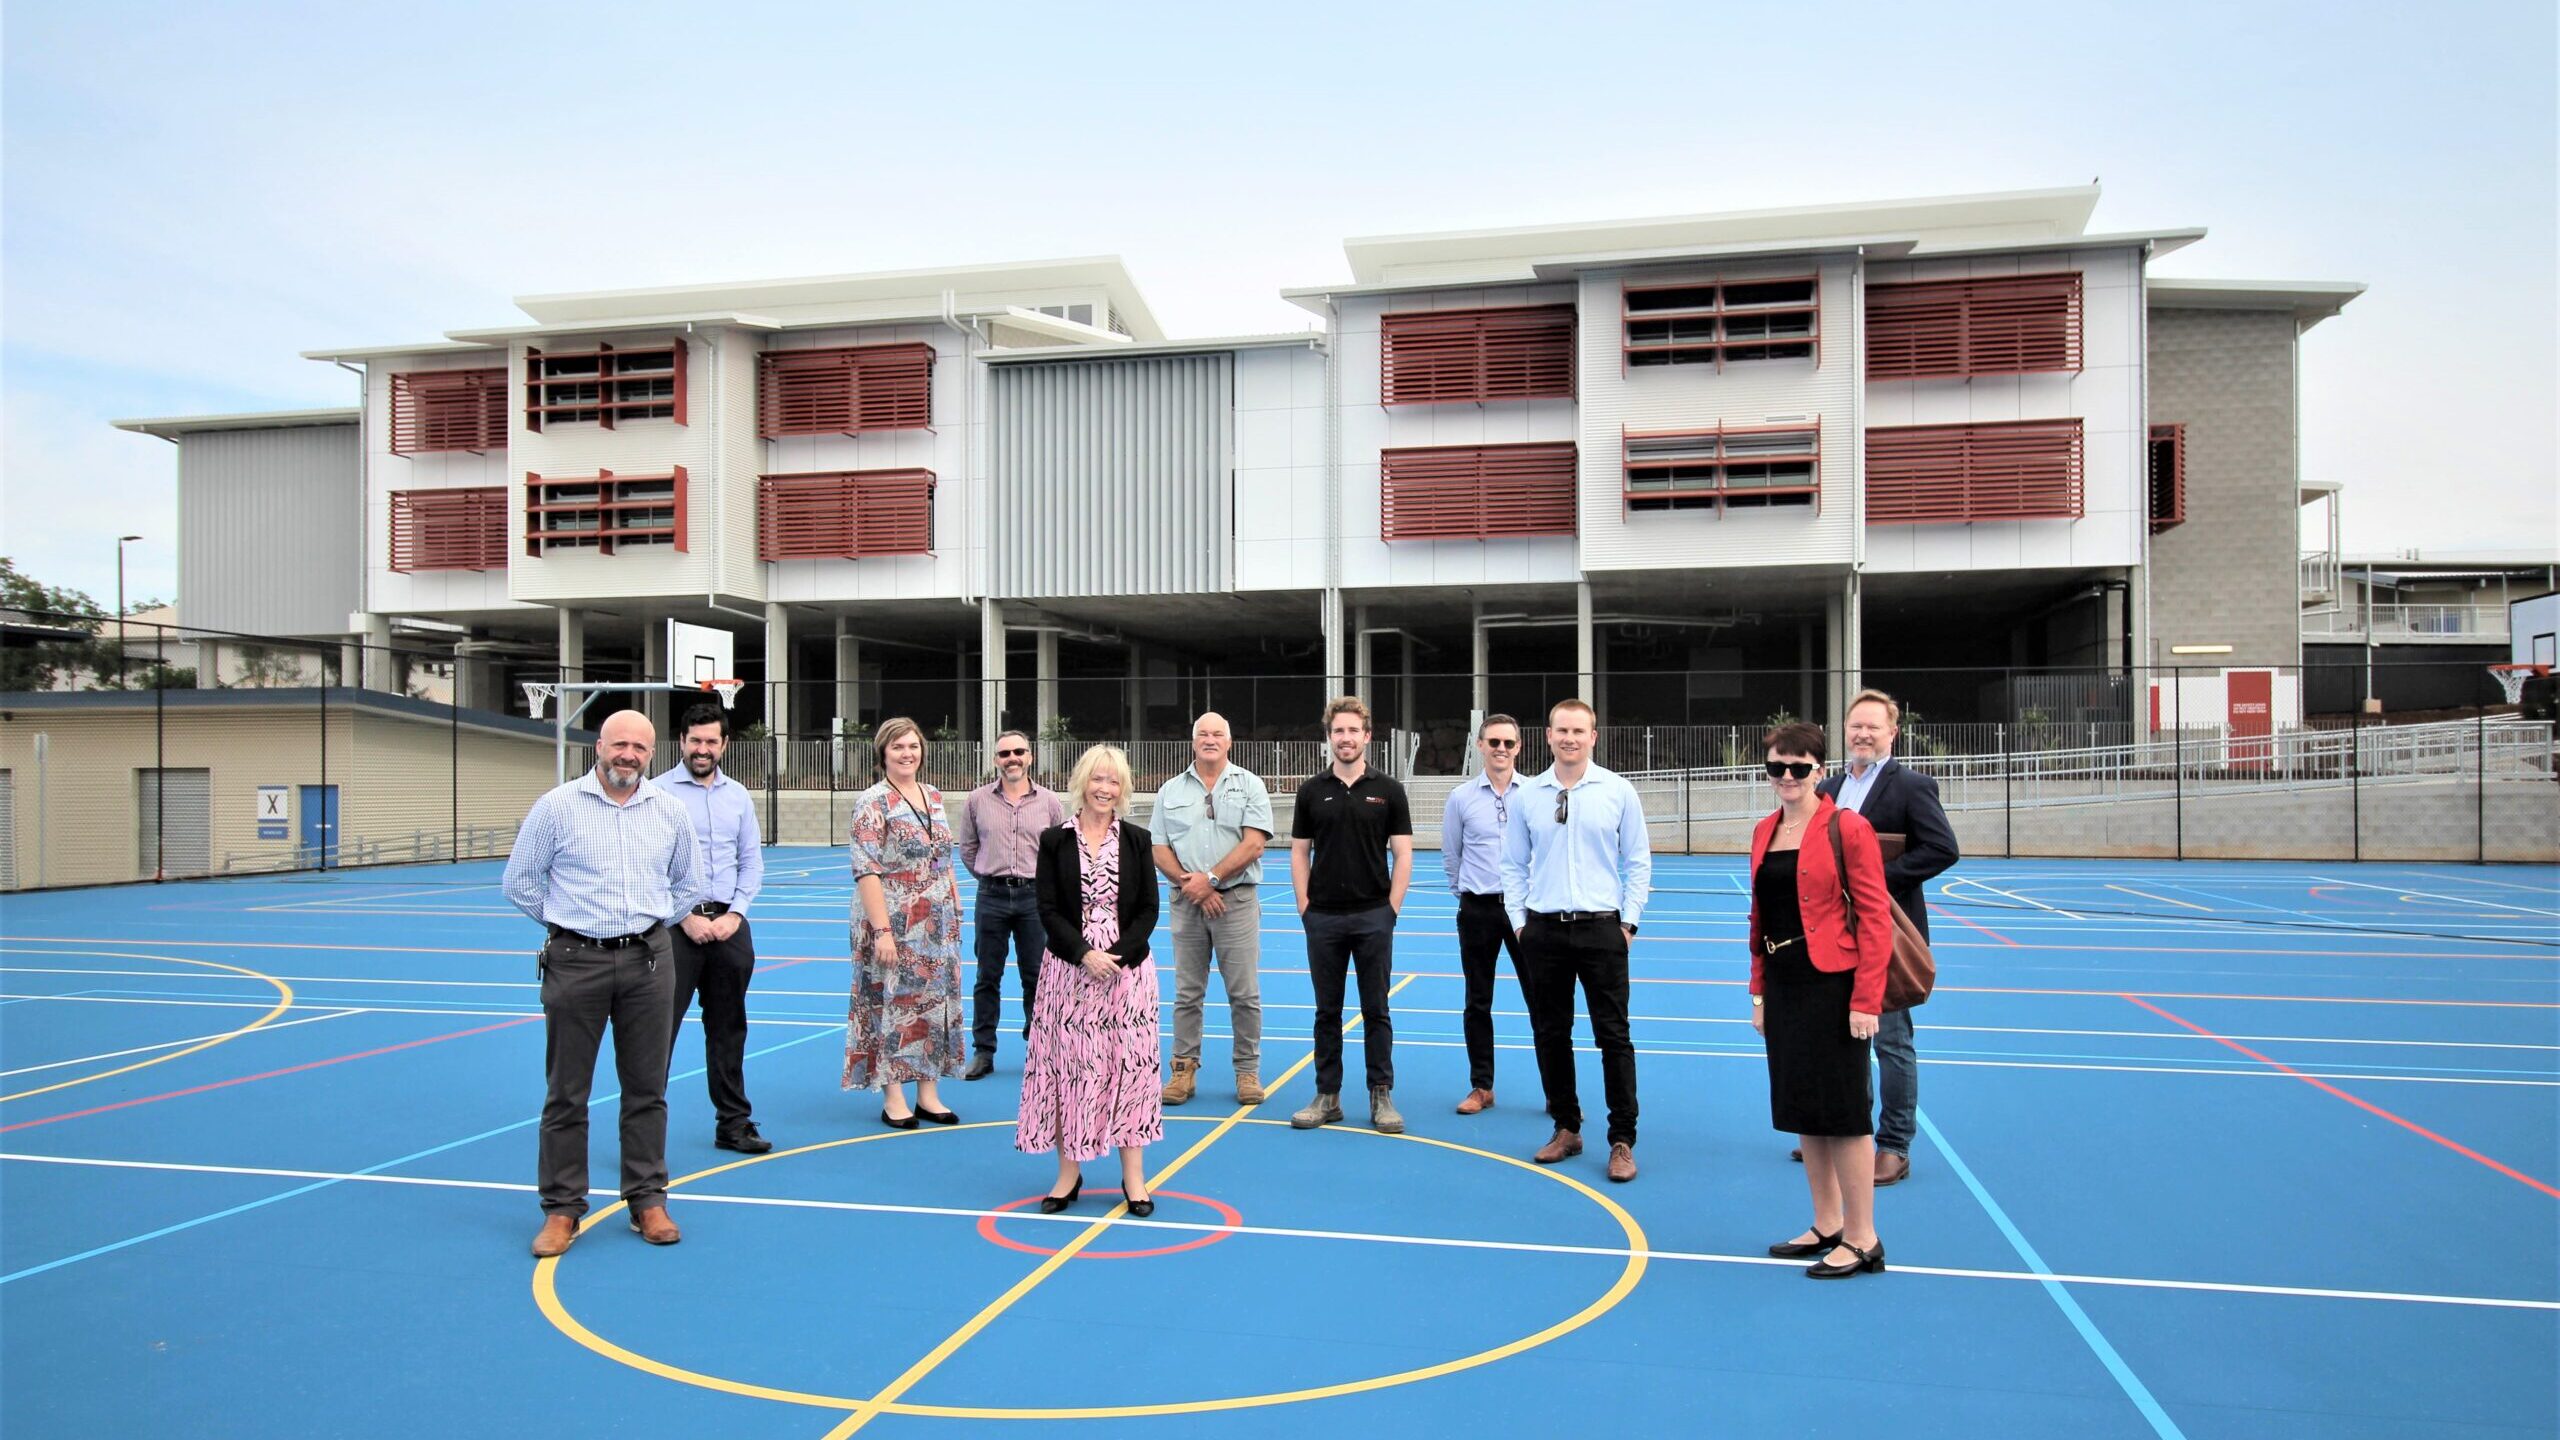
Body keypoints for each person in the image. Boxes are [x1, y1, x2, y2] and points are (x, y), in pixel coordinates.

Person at [502, 709, 705, 1258]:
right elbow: (519, 882)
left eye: (639, 748)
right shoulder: (557, 806)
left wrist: (650, 923)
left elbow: (690, 883)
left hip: (648, 962)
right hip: (575, 961)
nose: (629, 756)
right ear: (599, 746)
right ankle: (562, 1209)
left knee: (647, 1089)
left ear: (651, 754)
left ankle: (647, 1199)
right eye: (620, 745)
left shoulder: (668, 811)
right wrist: (569, 923)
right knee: (567, 1093)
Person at [1750, 720, 1894, 1279]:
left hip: (1834, 985)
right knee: (1804, 1109)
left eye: (1800, 767)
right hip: (1784, 983)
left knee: (1845, 1114)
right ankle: (1826, 1222)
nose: (1788, 777)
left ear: (1818, 770)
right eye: (1777, 768)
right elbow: (1759, 916)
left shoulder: (1846, 827)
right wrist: (1758, 990)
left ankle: (1863, 1237)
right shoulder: (1764, 830)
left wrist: (1866, 1000)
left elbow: (1876, 918)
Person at [1808, 688, 1956, 1185]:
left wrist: (1872, 877)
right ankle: (1848, 1132)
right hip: (1832, 936)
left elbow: (1941, 849)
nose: (1863, 734)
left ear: (1893, 732)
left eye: (1873, 727)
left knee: (1890, 1042)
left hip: (1887, 934)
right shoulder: (1826, 788)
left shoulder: (1912, 785)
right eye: (1856, 727)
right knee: (1838, 1040)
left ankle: (1894, 1145)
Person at [1500, 698, 1651, 1183]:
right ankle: (1566, 1127)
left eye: (1578, 731)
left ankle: (1621, 1139)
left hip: (1602, 929)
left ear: (1593, 736)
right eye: (1561, 730)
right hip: (1543, 930)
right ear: (1547, 736)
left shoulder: (1617, 791)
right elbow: (1512, 864)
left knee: (1613, 1037)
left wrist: (1627, 923)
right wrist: (1521, 922)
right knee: (1550, 1033)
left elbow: (1639, 861)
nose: (1569, 738)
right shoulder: (1527, 796)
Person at [1018, 745, 1165, 1214]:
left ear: (1123, 789)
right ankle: (1068, 1174)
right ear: (1082, 783)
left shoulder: (1138, 840)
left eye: (1114, 781)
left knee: (1130, 1072)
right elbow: (1048, 910)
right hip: (1068, 973)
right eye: (1098, 780)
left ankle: (1134, 1179)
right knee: (1070, 1071)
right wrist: (1084, 954)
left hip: (1128, 976)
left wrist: (1116, 957)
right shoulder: (1054, 839)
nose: (1105, 789)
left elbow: (1148, 909)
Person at [1288, 695, 1413, 1134]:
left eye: (1352, 730)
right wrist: (1305, 907)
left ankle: (1381, 1094)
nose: (1345, 738)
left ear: (1367, 736)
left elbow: (1403, 853)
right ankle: (1328, 1095)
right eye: (1338, 731)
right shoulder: (1311, 791)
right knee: (1327, 1010)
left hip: (1373, 916)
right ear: (1329, 737)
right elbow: (1300, 853)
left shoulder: (1389, 790)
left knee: (1376, 1009)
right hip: (1323, 918)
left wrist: (1390, 910)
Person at [658, 702, 771, 1156]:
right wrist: (683, 916)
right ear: (682, 741)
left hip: (728, 925)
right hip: (672, 928)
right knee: (657, 1030)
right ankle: (645, 1130)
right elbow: (647, 867)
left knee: (728, 1028)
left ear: (724, 744)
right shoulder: (656, 793)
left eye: (711, 741)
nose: (702, 749)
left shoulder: (738, 796)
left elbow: (751, 862)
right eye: (695, 740)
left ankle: (733, 1123)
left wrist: (734, 915)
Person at [844, 717, 966, 1127]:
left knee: (933, 1003)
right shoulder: (873, 801)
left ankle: (928, 1092)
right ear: (883, 753)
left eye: (913, 746)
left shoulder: (932, 796)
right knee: (891, 1003)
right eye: (898, 747)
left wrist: (954, 899)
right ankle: (893, 1094)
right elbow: (867, 869)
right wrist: (882, 931)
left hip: (936, 921)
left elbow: (941, 855)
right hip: (892, 917)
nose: (907, 754)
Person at [1151, 711, 1274, 1107]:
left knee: (1244, 993)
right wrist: (1197, 887)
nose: (1210, 739)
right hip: (1188, 902)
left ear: (1229, 741)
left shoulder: (1250, 785)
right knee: (1187, 993)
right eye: (1202, 733)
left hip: (1234, 901)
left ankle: (1247, 1072)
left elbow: (1254, 843)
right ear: (1193, 742)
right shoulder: (1170, 790)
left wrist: (1213, 880)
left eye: (1217, 733)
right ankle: (1182, 1070)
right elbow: (1158, 847)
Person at [955, 729, 1067, 1081]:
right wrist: (992, 877)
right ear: (995, 760)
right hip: (991, 896)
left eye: (1019, 751)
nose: (1012, 758)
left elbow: (1059, 853)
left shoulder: (1049, 802)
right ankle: (983, 1052)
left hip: (1035, 899)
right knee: (987, 976)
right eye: (1005, 753)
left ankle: (1039, 1048)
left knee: (1037, 976)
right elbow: (968, 850)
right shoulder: (976, 801)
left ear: (1030, 756)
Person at [1440, 713, 1527, 1115]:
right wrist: (1469, 892)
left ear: (1519, 747)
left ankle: (1557, 1091)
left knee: (1544, 1001)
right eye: (1494, 742)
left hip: (1526, 912)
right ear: (1480, 746)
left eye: (1508, 743)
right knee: (1478, 1002)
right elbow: (1452, 855)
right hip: (1478, 909)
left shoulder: (1535, 794)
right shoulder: (1461, 798)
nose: (1501, 750)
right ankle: (1481, 1086)